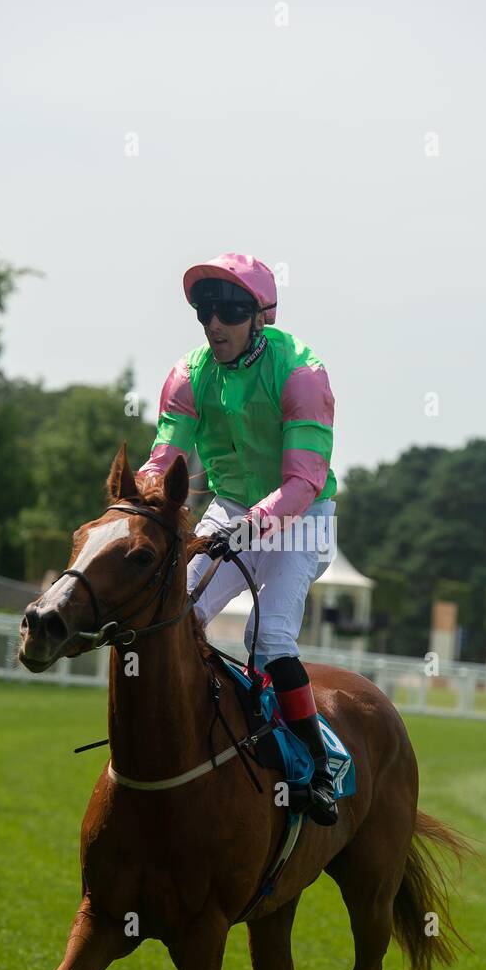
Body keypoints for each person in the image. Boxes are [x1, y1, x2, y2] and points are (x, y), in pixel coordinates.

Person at [135, 252, 339, 824]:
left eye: (229, 311)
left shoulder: (301, 372)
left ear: (260, 315)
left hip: (305, 516)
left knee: (268, 637)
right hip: (231, 508)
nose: (214, 324)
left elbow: (303, 482)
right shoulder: (189, 373)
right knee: (177, 616)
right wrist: (139, 500)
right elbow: (164, 459)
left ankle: (318, 768)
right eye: (205, 312)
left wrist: (250, 527)